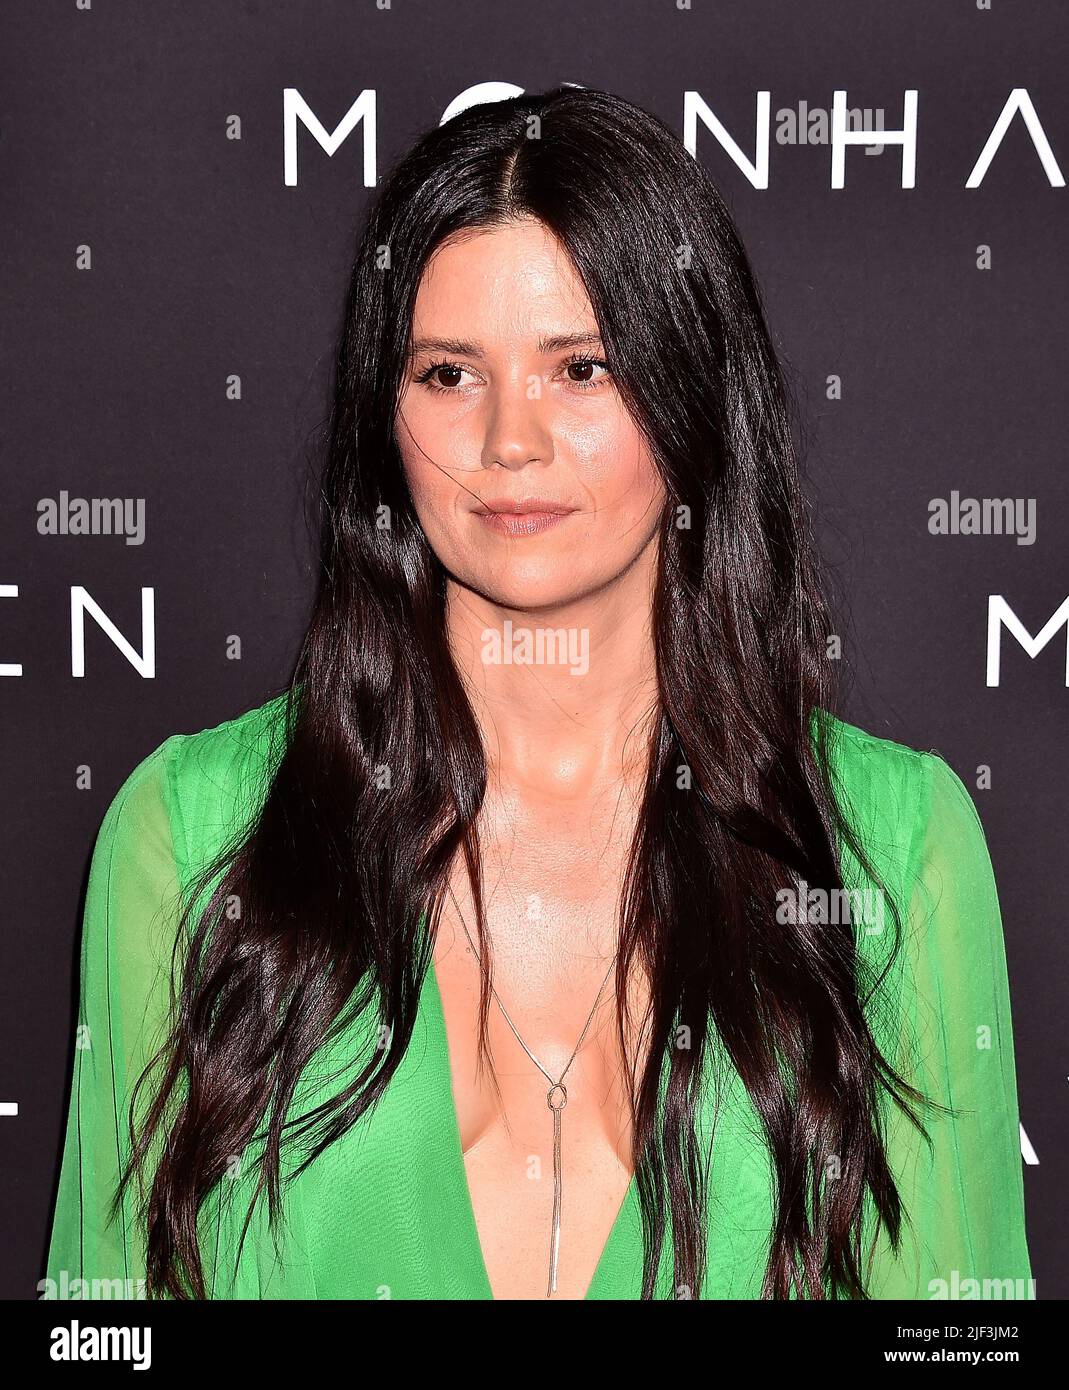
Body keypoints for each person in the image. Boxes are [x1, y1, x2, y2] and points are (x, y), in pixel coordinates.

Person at [45, 85, 1032, 1301]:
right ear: (385, 415)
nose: (509, 440)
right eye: (450, 373)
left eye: (581, 367)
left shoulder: (894, 849)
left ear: (688, 395)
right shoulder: (193, 837)